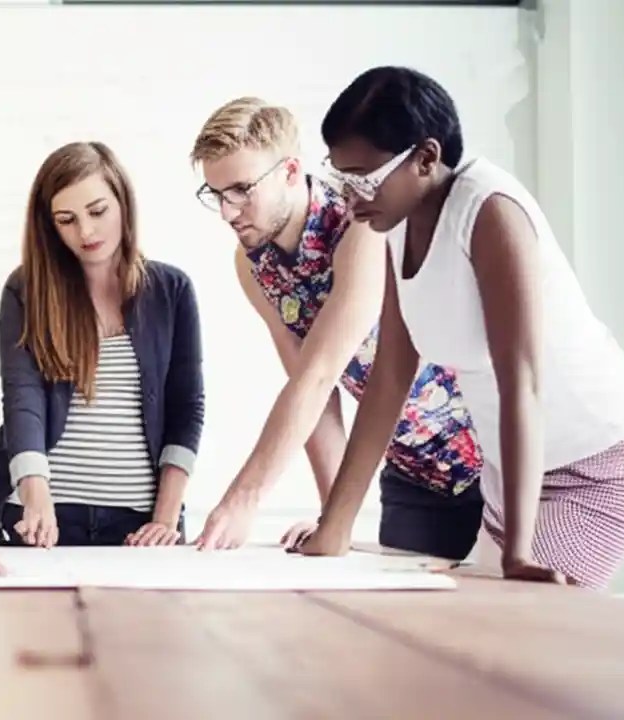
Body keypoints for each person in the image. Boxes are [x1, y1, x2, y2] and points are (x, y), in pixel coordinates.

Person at [296, 66, 624, 590]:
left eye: (363, 178)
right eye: (341, 179)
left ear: (425, 158)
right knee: (485, 638)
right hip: (514, 469)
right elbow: (391, 378)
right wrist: (335, 527)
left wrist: (518, 550)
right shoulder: (393, 220)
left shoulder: (490, 213)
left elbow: (523, 383)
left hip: (595, 458)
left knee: (522, 626)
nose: (350, 198)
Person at [188, 97, 484, 560]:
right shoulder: (251, 265)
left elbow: (321, 374)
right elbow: (312, 392)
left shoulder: (362, 222)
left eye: (242, 189)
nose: (229, 211)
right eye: (218, 195)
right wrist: (333, 519)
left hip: (488, 463)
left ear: (289, 171)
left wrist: (244, 497)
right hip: (409, 478)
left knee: (507, 616)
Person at [0, 141, 205, 548]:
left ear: (123, 203)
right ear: (50, 226)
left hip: (141, 522)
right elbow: (22, 397)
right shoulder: (26, 289)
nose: (86, 232)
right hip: (40, 515)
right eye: (67, 219)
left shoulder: (172, 290)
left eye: (98, 212)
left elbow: (187, 407)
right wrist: (34, 495)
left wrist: (166, 518)